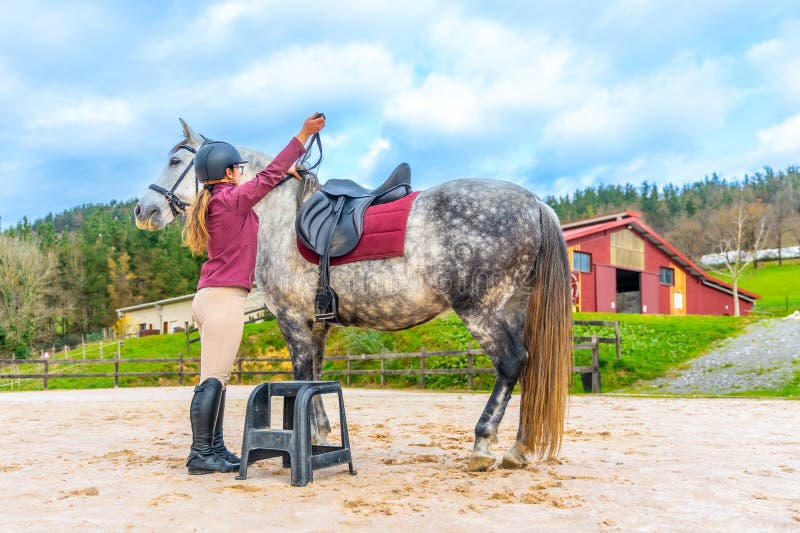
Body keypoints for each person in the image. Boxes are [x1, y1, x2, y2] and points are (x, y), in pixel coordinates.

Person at [182, 113, 326, 475]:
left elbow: (260, 187)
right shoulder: (231, 199)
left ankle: (213, 447)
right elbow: (264, 177)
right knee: (214, 379)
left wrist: (283, 178)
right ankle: (201, 452)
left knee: (216, 377)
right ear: (229, 173)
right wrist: (303, 135)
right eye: (238, 169)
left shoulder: (218, 200)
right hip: (224, 302)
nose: (243, 173)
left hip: (211, 298)